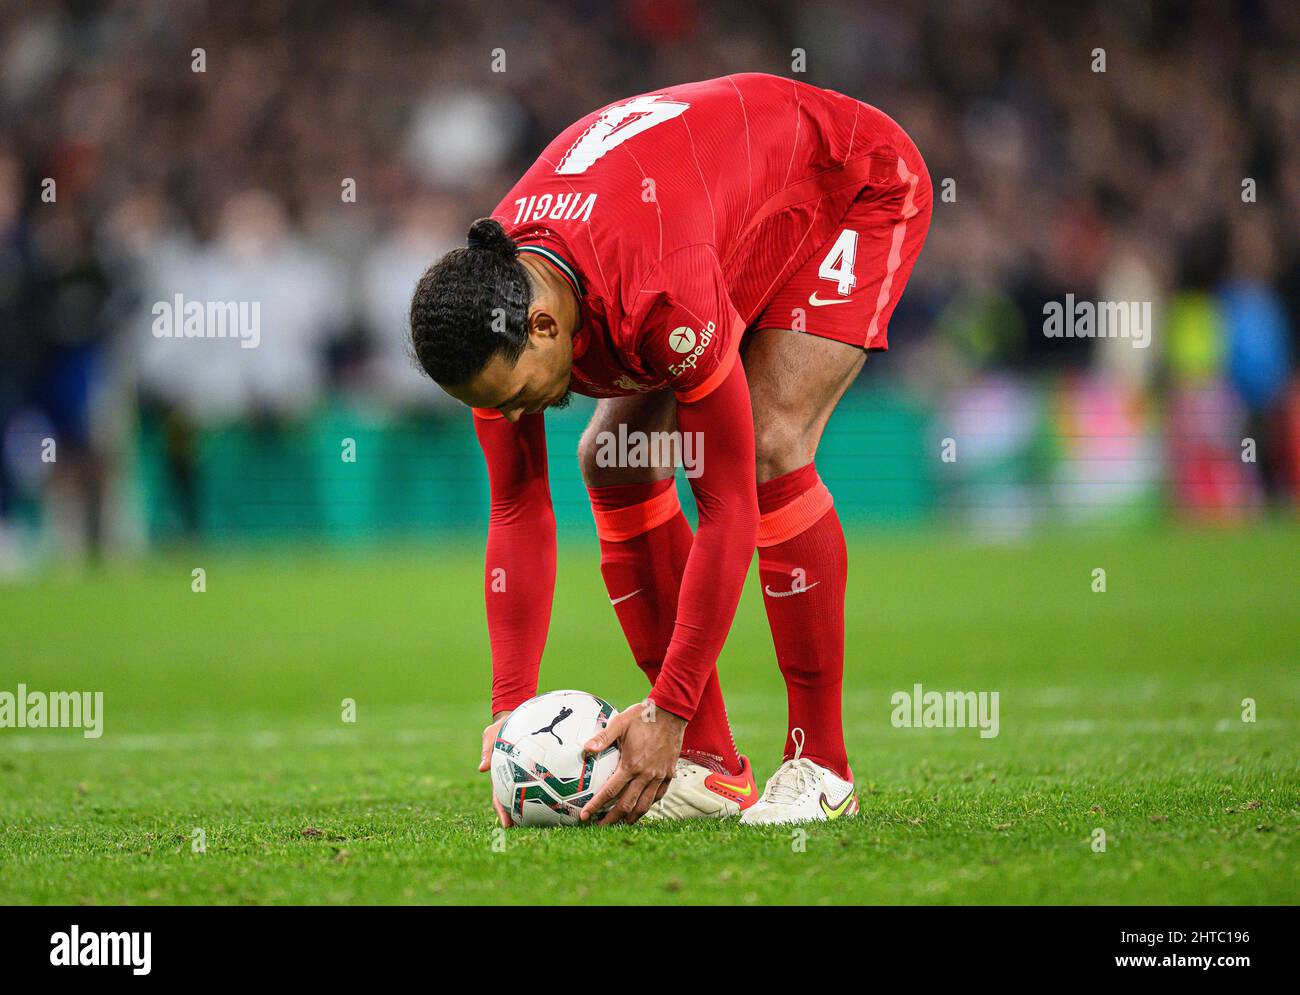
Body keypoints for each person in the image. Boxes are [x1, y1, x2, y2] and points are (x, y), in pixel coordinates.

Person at [410, 73, 932, 825]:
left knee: (768, 444)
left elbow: (726, 507)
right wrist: (510, 702)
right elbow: (518, 504)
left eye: (518, 394)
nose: (515, 413)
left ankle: (822, 766)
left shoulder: (657, 289)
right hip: (721, 216)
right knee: (610, 456)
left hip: (845, 182)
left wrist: (669, 705)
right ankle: (713, 769)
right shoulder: (492, 301)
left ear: (549, 329)